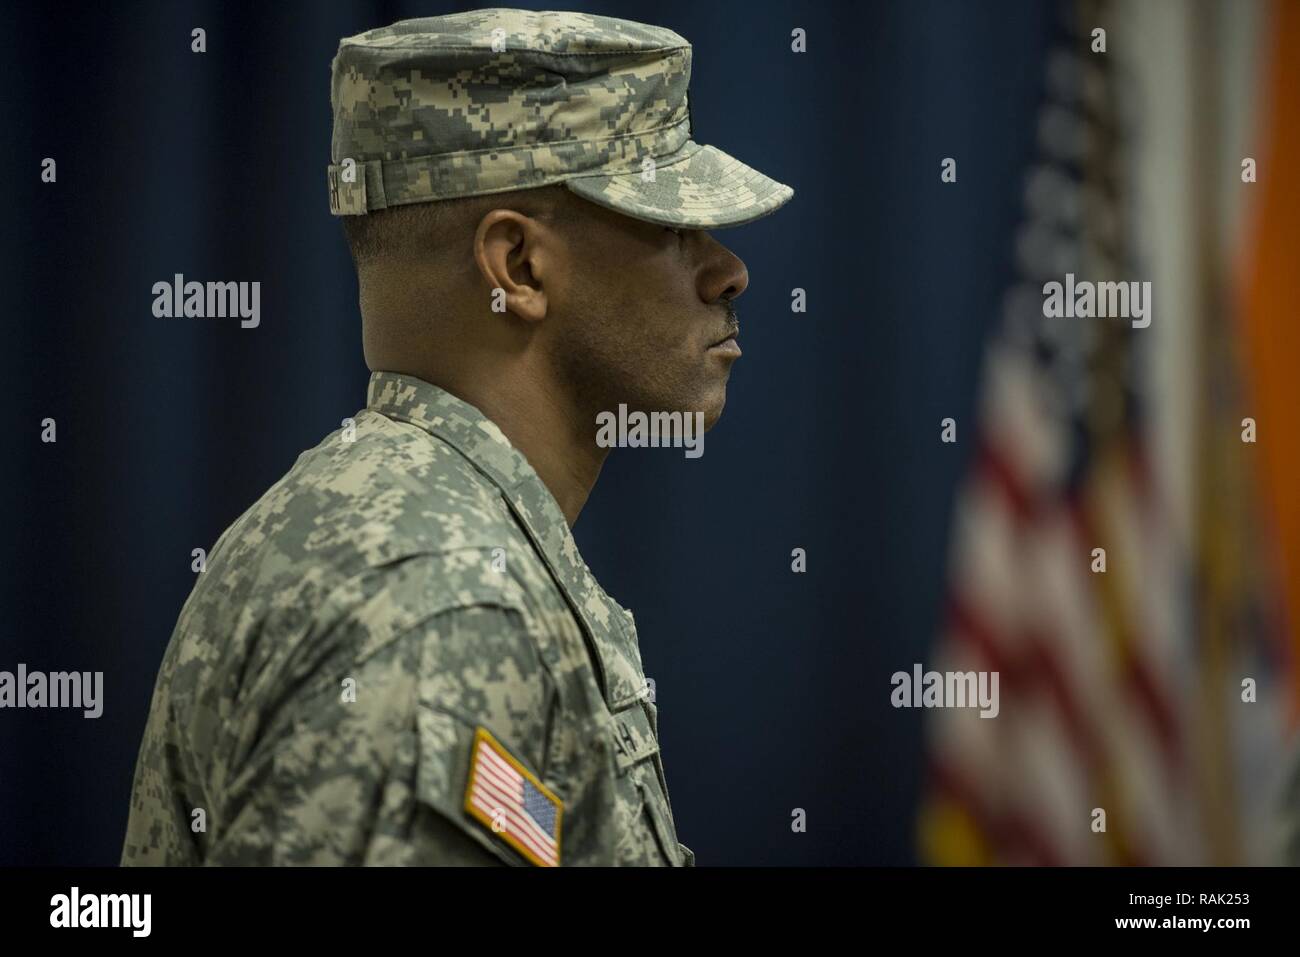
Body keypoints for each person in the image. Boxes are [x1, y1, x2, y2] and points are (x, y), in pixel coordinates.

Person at [121, 8, 792, 866]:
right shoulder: (438, 605)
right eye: (670, 227)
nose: (728, 270)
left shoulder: (368, 523)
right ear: (517, 267)